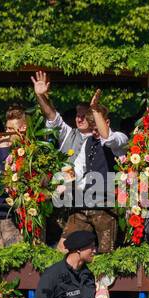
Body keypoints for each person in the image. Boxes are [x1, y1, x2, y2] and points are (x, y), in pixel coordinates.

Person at [32, 70, 125, 253]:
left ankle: (101, 281)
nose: (80, 119)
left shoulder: (118, 138)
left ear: (103, 120)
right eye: (79, 115)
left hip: (106, 206)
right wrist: (62, 185)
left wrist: (96, 110)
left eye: (88, 116)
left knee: (105, 254)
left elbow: (108, 138)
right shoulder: (83, 141)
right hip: (80, 204)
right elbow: (77, 169)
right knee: (64, 248)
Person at [0, 107, 29, 251]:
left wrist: (3, 149)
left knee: (14, 258)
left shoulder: (27, 151)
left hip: (13, 215)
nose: (6, 132)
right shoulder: (6, 150)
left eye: (11, 129)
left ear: (23, 128)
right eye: (6, 127)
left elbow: (12, 177)